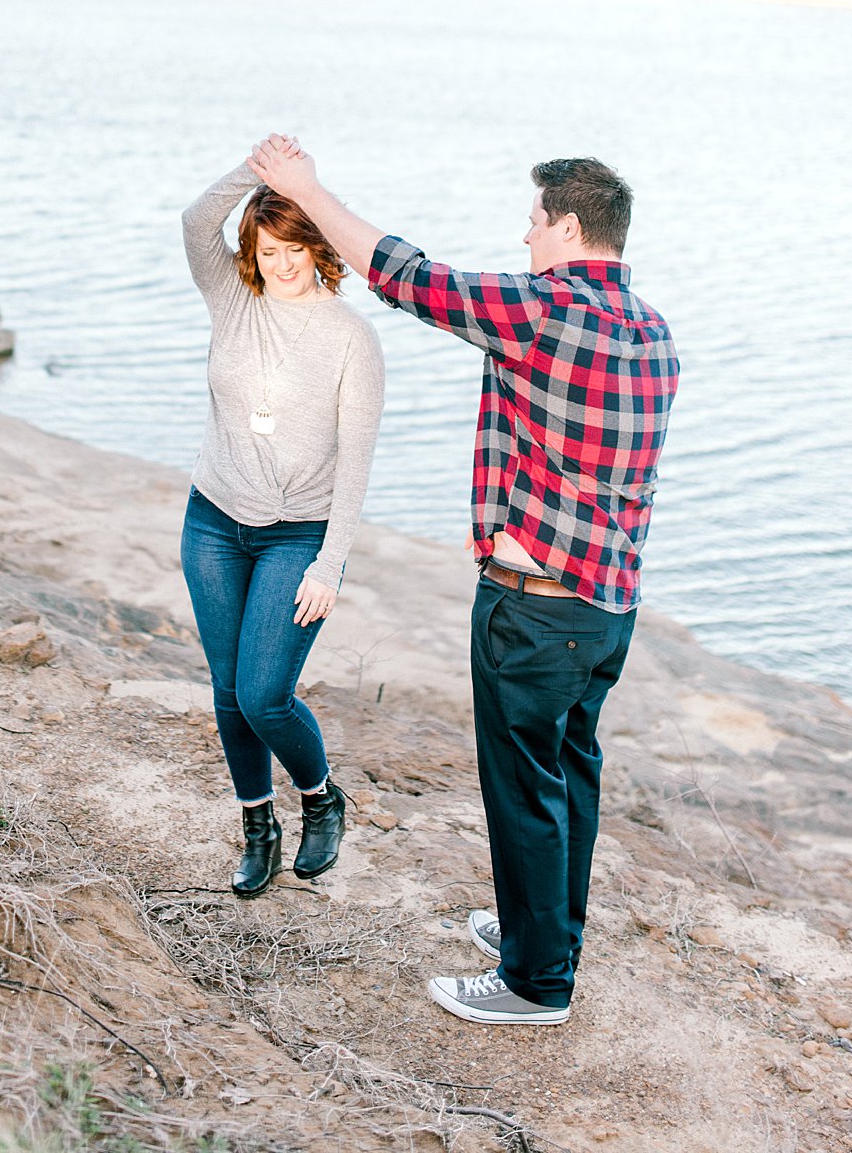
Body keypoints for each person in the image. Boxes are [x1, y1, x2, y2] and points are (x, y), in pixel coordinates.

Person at [246, 135, 679, 1023]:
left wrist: (306, 190)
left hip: (534, 609)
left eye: (531, 224)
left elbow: (408, 276)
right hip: (607, 608)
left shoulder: (548, 311)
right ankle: (545, 935)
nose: (524, 240)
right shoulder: (651, 330)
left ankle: (534, 985)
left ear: (566, 225)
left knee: (523, 791)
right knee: (568, 777)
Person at [181, 154, 385, 897]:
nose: (283, 266)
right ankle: (256, 827)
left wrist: (329, 564)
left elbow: (356, 461)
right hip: (212, 523)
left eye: (296, 251)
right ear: (252, 253)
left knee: (265, 693)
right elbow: (194, 220)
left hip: (297, 534)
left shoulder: (350, 339)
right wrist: (253, 170)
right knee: (228, 691)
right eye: (269, 252)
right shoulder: (232, 300)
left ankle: (320, 795)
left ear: (318, 251)